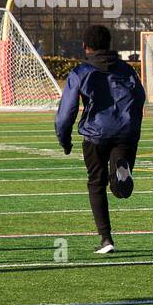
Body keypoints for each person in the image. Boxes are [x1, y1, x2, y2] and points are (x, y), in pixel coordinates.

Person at [55, 24, 146, 255]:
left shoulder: (80, 72)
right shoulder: (127, 69)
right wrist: (134, 129)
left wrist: (64, 139)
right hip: (125, 131)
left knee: (96, 183)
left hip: (95, 134)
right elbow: (139, 98)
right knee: (120, 188)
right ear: (109, 44)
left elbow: (67, 111)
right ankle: (120, 171)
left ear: (86, 46)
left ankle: (106, 239)